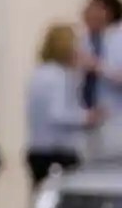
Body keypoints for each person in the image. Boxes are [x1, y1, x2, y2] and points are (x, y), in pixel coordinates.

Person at [29, 23, 104, 185]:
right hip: (59, 151)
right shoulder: (59, 75)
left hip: (38, 149)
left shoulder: (39, 74)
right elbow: (58, 114)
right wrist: (87, 117)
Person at [76, 0, 122, 158]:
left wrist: (98, 67)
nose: (85, 13)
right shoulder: (83, 40)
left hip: (115, 119)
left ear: (107, 11)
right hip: (87, 121)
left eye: (92, 8)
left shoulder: (118, 38)